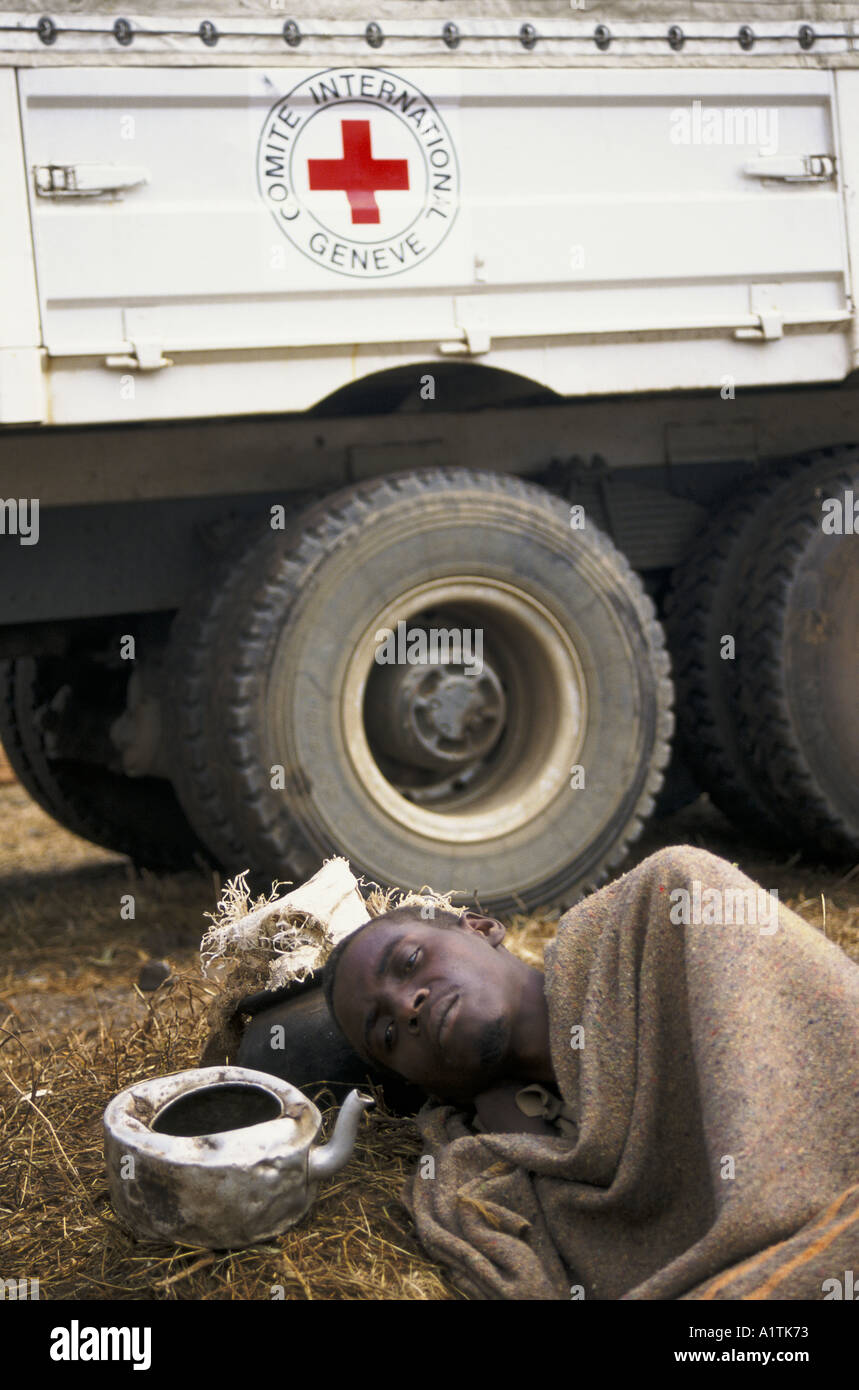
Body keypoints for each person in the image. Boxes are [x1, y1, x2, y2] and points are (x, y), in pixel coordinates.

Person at [322, 846, 859, 1300]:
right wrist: (532, 1141)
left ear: (482, 928)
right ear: (422, 1085)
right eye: (387, 1035)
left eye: (411, 960)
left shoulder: (664, 905)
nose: (408, 1005)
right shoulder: (482, 1179)